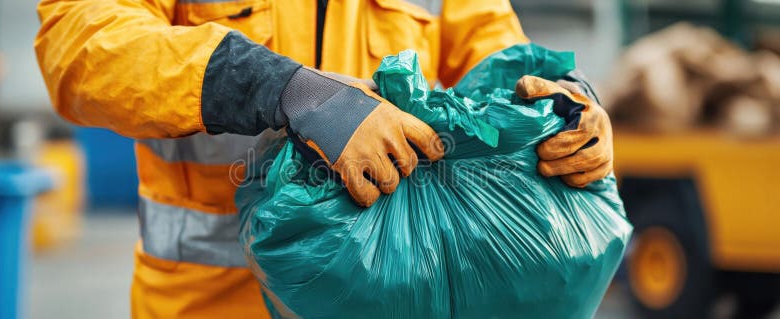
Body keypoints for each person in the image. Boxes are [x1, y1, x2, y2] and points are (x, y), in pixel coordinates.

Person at [34, 0, 613, 317]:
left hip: (387, 300)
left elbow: (499, 51)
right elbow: (83, 46)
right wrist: (289, 91)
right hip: (207, 304)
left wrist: (569, 97)